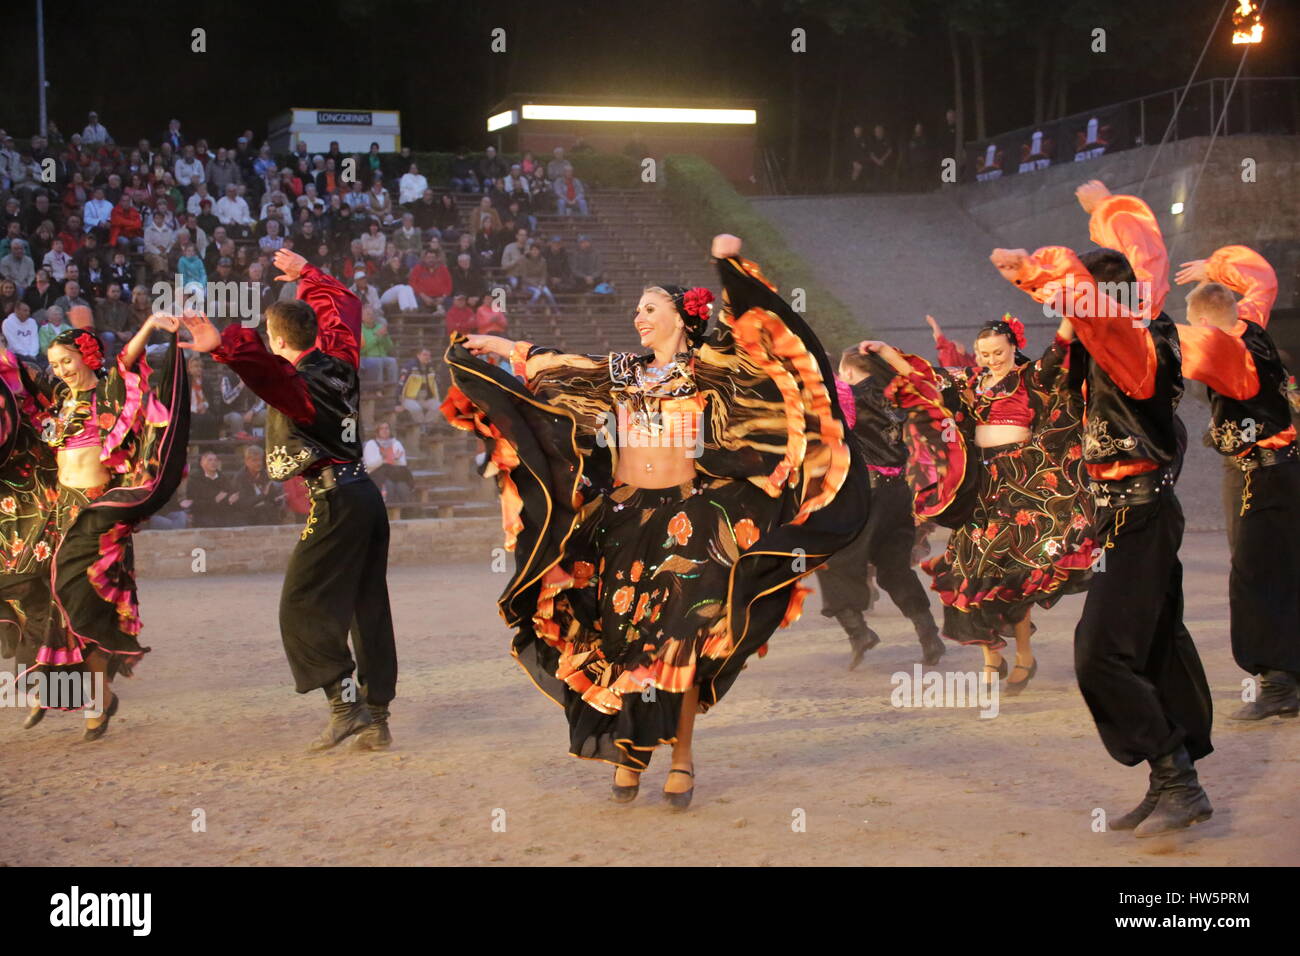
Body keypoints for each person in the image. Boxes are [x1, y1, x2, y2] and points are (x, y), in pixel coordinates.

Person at [444, 233, 868, 809]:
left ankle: (683, 758)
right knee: (625, 642)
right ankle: (632, 753)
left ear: (680, 316)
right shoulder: (621, 371)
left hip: (691, 520)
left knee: (682, 641)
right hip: (622, 519)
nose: (637, 317)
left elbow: (763, 334)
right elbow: (557, 367)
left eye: (649, 308)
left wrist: (728, 266)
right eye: (637, 310)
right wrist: (499, 346)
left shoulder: (710, 370)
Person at [993, 180, 1212, 837]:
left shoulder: (1130, 339)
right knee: (1152, 645)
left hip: (1139, 515)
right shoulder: (1132, 335)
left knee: (1099, 654)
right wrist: (1102, 210)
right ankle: (1178, 782)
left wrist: (1036, 273)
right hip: (1132, 513)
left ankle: (1174, 771)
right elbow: (1135, 261)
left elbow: (1100, 297)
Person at [180, 248, 397, 752]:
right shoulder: (341, 360)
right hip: (365, 494)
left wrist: (223, 348)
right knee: (368, 606)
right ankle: (377, 715)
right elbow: (344, 308)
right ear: (315, 335)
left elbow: (268, 375)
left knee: (300, 604)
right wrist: (311, 276)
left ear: (278, 341)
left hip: (336, 501)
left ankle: (347, 708)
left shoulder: (298, 384)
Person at [861, 309, 1094, 694]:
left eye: (997, 352)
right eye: (984, 353)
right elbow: (927, 380)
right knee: (970, 568)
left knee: (1014, 574)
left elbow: (1059, 349)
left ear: (1014, 347)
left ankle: (1023, 655)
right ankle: (991, 657)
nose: (990, 359)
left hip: (1026, 483)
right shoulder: (970, 382)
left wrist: (1072, 307)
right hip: (983, 484)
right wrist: (886, 352)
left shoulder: (1029, 377)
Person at [0, 316, 189, 739]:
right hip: (59, 513)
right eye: (54, 363)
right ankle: (75, 695)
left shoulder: (106, 395)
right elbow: (19, 388)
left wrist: (152, 325)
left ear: (85, 356)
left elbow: (127, 359)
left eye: (66, 360)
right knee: (51, 604)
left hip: (96, 514)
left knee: (85, 607)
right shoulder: (59, 401)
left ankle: (98, 700)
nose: (61, 369)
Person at [1174, 246, 1300, 719]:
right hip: (1287, 467)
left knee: (1253, 574)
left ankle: (1276, 682)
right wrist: (1216, 269)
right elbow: (1262, 278)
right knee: (1284, 567)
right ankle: (1287, 675)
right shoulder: (1252, 325)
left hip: (1256, 478)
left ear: (1204, 324)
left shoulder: (1222, 348)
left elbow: (1167, 349)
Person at [821, 349, 944, 669]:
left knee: (831, 558)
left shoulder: (847, 394)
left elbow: (822, 393)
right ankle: (928, 633)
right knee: (893, 567)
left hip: (869, 494)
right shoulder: (895, 395)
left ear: (847, 372)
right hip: (899, 493)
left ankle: (857, 631)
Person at [363, 421, 414, 504]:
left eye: (387, 428)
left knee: (402, 487)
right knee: (388, 485)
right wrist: (382, 458)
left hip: (394, 474)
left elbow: (403, 464)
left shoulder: (396, 443)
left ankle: (407, 511)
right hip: (376, 474)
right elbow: (369, 465)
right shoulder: (371, 444)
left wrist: (396, 459)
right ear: (377, 431)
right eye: (382, 428)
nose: (385, 430)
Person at [396, 347, 440, 428]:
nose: (427, 357)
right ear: (418, 355)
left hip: (425, 398)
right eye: (425, 355)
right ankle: (421, 429)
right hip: (409, 398)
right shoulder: (409, 366)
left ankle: (426, 427)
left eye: (429, 355)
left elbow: (434, 385)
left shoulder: (430, 367)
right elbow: (401, 384)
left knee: (439, 406)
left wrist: (436, 398)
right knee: (416, 409)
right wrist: (398, 403)